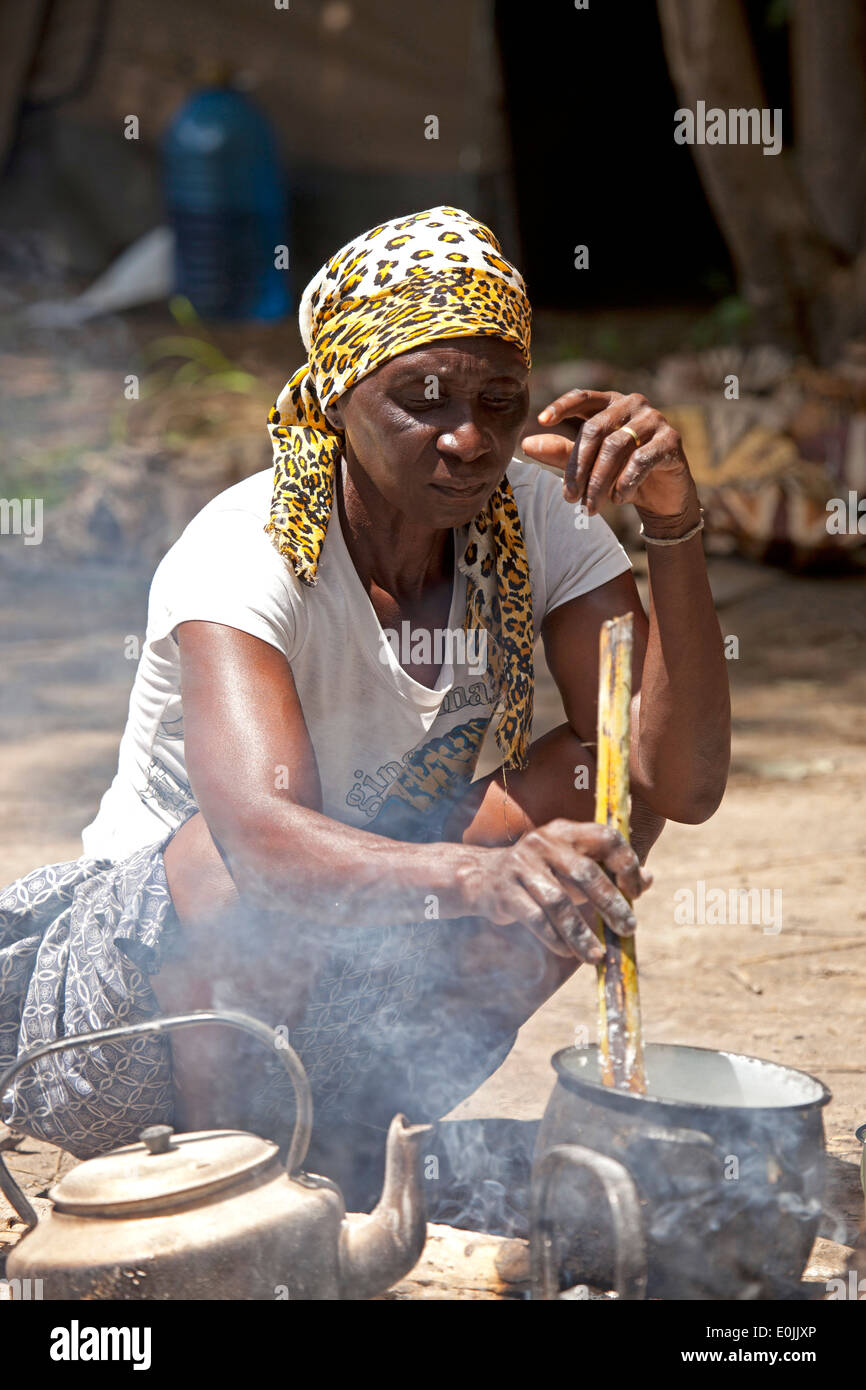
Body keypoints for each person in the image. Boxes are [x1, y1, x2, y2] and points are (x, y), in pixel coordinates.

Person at [0, 207, 730, 1194]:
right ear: (338, 396)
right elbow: (258, 845)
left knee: (597, 784)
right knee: (228, 851)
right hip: (134, 1030)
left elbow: (672, 782)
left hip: (352, 972)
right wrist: (477, 878)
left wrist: (674, 526)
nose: (468, 437)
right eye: (419, 401)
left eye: (497, 400)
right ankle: (226, 1190)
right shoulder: (247, 548)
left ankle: (356, 1132)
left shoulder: (538, 517)